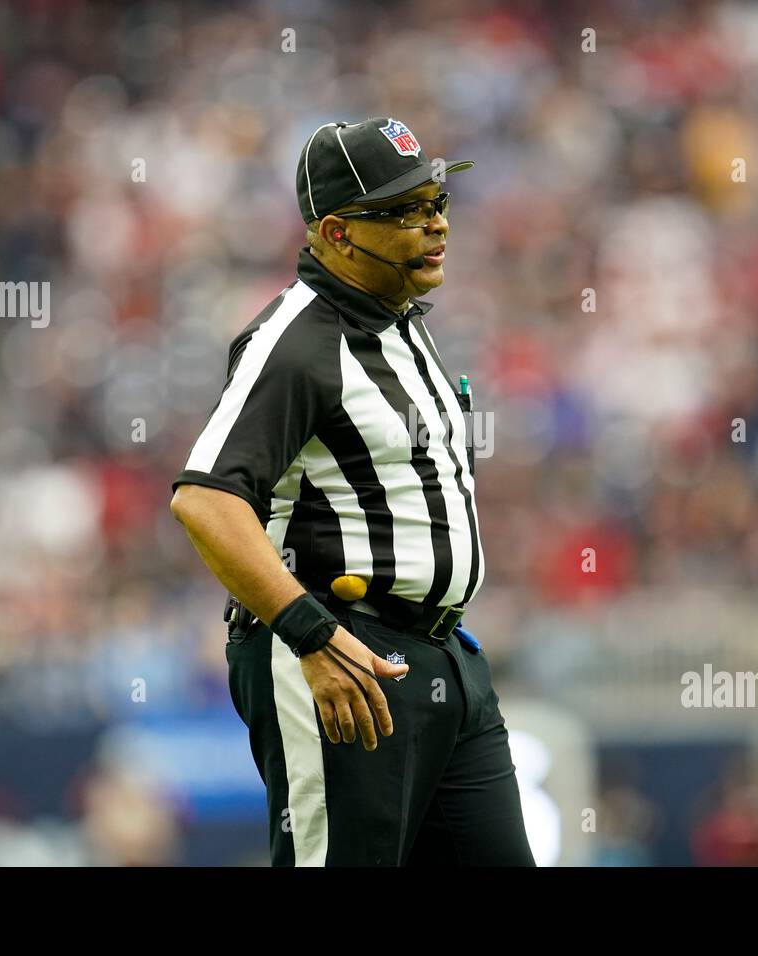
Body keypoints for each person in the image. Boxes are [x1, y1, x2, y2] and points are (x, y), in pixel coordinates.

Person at [170, 116, 535, 866]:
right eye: (405, 212)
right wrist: (311, 634)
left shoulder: (401, 320)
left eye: (437, 203)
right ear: (337, 234)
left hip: (441, 659)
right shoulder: (297, 342)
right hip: (343, 655)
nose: (435, 225)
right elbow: (204, 499)